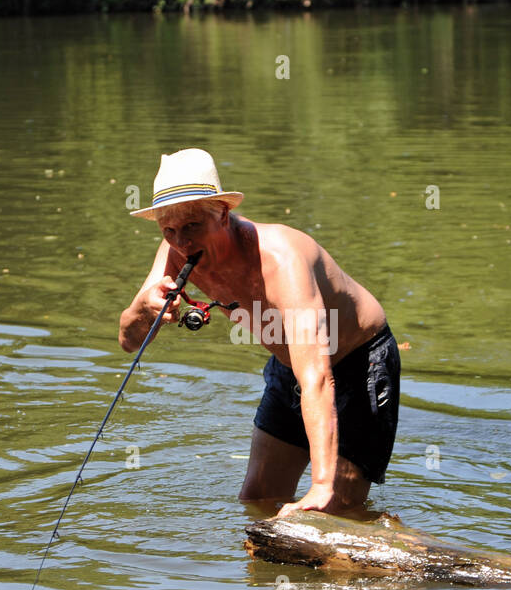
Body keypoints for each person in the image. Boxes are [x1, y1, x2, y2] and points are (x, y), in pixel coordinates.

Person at [119, 148, 400, 517]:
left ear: (222, 212)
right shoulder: (174, 249)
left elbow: (317, 376)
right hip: (289, 365)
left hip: (357, 362)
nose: (182, 242)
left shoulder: (281, 258)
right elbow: (129, 341)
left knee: (335, 510)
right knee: (257, 502)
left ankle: (389, 552)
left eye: (191, 227)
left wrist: (320, 486)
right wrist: (144, 309)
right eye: (169, 230)